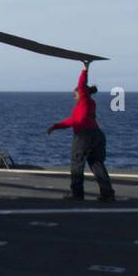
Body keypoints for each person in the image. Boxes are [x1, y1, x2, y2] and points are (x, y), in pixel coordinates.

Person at [47, 62, 115, 202]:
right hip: (96, 135)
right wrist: (55, 126)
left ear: (81, 93)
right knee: (97, 163)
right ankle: (107, 194)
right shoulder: (85, 106)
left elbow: (81, 84)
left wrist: (85, 68)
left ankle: (77, 194)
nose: (73, 96)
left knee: (77, 163)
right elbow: (72, 121)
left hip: (84, 136)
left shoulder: (84, 101)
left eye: (75, 94)